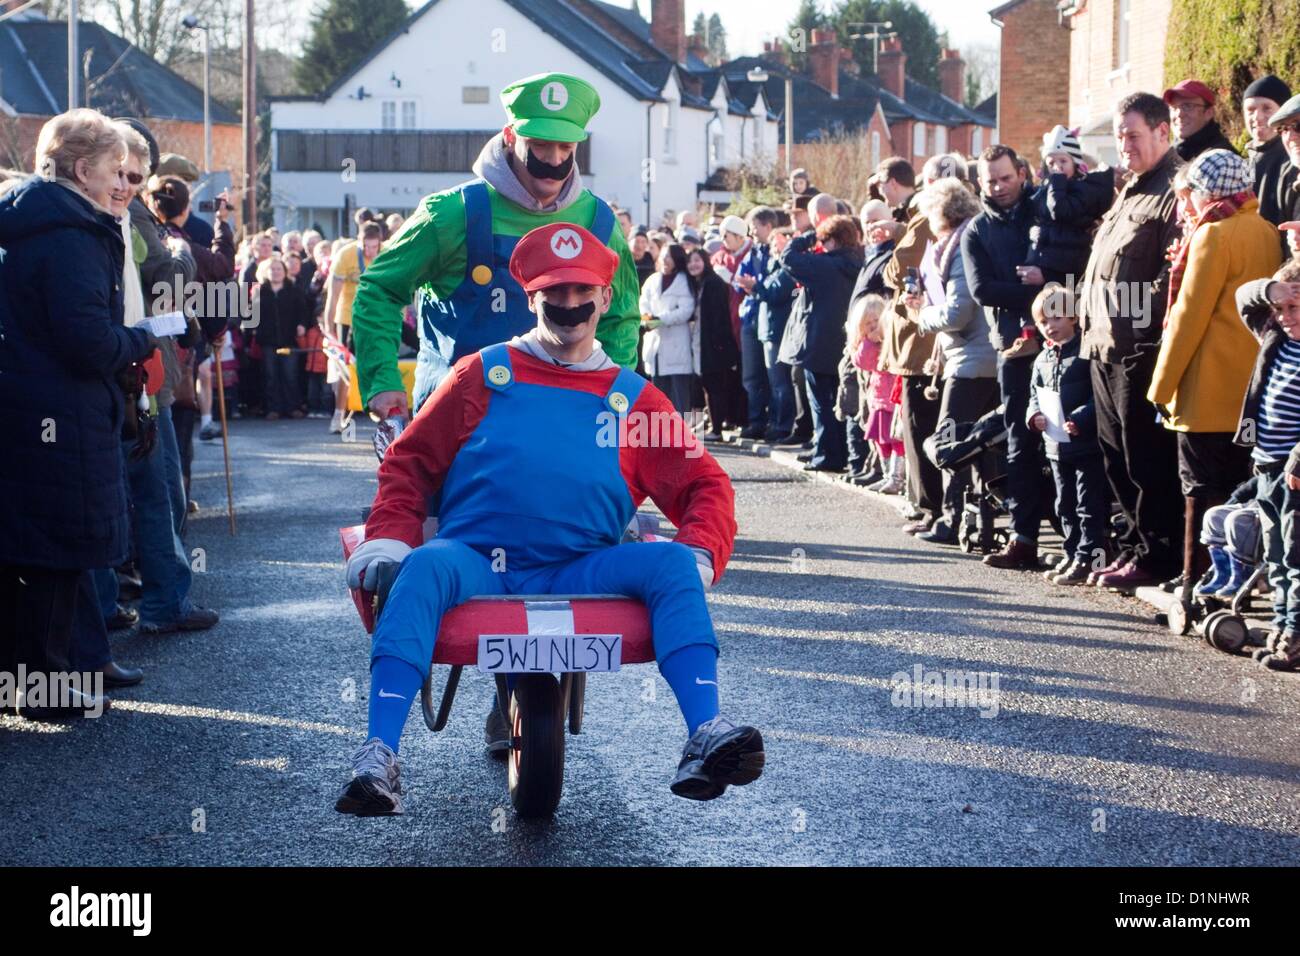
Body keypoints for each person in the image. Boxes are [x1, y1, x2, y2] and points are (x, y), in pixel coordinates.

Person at [337, 222, 762, 814]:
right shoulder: (481, 373)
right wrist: (388, 539)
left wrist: (698, 549)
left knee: (670, 562)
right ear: (531, 298)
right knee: (424, 568)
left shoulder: (634, 398)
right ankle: (378, 754)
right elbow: (410, 461)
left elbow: (705, 484)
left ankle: (705, 733)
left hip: (581, 567)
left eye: (581, 291)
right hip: (475, 561)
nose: (569, 304)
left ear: (606, 298)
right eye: (553, 293)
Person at [350, 72, 641, 429]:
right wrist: (382, 379)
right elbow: (379, 289)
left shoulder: (600, 223)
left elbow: (621, 317)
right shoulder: (448, 214)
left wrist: (610, 391)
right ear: (509, 136)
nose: (553, 160)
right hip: (455, 425)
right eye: (539, 145)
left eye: (566, 148)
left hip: (559, 423)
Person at [0, 110, 156, 716]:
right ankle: (48, 692)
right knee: (54, 559)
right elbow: (86, 339)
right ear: (84, 169)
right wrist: (140, 340)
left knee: (37, 555)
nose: (121, 180)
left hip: (34, 408)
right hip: (59, 414)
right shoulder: (72, 234)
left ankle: (43, 684)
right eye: (115, 168)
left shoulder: (34, 221)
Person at [1147, 148, 1281, 596]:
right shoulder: (1264, 230)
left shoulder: (1211, 236)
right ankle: (1242, 579)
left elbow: (1189, 318)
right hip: (1249, 388)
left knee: (1200, 489)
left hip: (1205, 389)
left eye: (1191, 194)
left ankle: (1194, 579)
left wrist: (1161, 386)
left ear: (1205, 193)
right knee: (1240, 488)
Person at [1077, 92, 1184, 590]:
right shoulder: (1130, 189)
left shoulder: (1174, 189)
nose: (1125, 145)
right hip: (1102, 345)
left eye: (1134, 135)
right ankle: (1132, 549)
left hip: (1137, 350)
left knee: (1146, 459)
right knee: (1115, 458)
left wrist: (1147, 337)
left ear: (1164, 132)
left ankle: (1159, 558)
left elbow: (1173, 273)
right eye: (1120, 136)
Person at [962, 144, 1047, 569]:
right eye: (990, 180)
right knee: (1020, 442)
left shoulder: (1046, 209)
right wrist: (1037, 291)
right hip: (1012, 348)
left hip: (1060, 341)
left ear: (1021, 173)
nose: (999, 187)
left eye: (1005, 178)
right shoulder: (977, 231)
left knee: (1072, 440)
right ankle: (1024, 538)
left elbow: (1076, 265)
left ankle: (1086, 541)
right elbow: (982, 290)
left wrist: (1045, 282)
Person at [905, 178, 998, 542]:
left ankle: (951, 521)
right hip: (980, 356)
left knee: (950, 442)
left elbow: (958, 313)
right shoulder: (967, 238)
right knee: (981, 444)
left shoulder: (959, 248)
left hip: (973, 359)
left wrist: (922, 315)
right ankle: (978, 525)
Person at [1232, 263, 1300, 670]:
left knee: (1296, 556)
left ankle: (1294, 636)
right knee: (1274, 554)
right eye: (1282, 308)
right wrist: (1273, 288)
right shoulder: (1274, 336)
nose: (1287, 317)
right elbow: (1244, 299)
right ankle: (1279, 627)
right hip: (1266, 465)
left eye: (1296, 307)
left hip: (1295, 471)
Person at [1026, 283, 1108, 585]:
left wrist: (1082, 418)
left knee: (1089, 505)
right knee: (1064, 505)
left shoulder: (1086, 353)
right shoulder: (1042, 359)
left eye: (1057, 318)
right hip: (1056, 445)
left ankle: (1091, 557)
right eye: (1044, 321)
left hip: (1085, 444)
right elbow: (1035, 395)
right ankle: (1073, 553)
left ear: (1073, 317)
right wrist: (1033, 416)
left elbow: (1097, 395)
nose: (1051, 326)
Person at [882, 160, 945, 534]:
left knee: (920, 427)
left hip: (920, 347)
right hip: (923, 344)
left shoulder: (924, 220)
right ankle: (928, 506)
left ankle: (930, 507)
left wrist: (899, 236)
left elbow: (899, 269)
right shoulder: (922, 221)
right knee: (920, 427)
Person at [780, 213, 865, 472]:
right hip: (846, 342)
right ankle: (844, 454)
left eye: (824, 240)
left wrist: (809, 235)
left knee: (821, 403)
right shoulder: (860, 262)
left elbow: (788, 258)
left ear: (833, 240)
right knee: (843, 402)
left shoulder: (823, 265)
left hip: (818, 344)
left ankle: (826, 455)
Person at [1026, 126, 1115, 284]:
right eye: (1051, 162)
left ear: (1075, 163)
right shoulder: (1047, 189)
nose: (1057, 167)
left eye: (1063, 161)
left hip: (1067, 266)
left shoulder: (1082, 190)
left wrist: (1057, 181)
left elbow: (1059, 210)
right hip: (1044, 261)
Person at [323, 222, 383, 432]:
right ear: (359, 241)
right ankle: (338, 415)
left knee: (377, 364)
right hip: (347, 316)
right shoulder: (345, 255)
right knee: (344, 367)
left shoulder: (386, 254)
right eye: (366, 246)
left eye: (374, 246)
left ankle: (381, 416)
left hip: (375, 317)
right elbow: (333, 295)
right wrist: (329, 328)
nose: (370, 251)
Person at [749, 227, 797, 443]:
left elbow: (776, 294)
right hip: (768, 330)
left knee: (781, 382)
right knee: (775, 381)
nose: (774, 247)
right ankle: (776, 423)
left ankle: (783, 425)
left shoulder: (786, 269)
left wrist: (755, 286)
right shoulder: (773, 267)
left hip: (777, 330)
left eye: (778, 242)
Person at [688, 247, 742, 439]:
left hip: (714, 345)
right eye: (690, 261)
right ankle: (711, 425)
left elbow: (719, 318)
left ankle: (716, 428)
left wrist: (719, 345)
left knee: (714, 387)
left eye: (697, 260)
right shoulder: (700, 283)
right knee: (706, 386)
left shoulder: (713, 283)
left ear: (706, 261)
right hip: (703, 343)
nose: (693, 265)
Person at [851, 294, 903, 492]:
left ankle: (898, 477)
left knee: (896, 439)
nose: (873, 326)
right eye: (868, 323)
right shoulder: (868, 345)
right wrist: (868, 342)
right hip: (878, 400)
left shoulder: (892, 342)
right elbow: (861, 362)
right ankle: (887, 473)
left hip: (894, 400)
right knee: (880, 439)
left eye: (876, 321)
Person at [735, 206, 779, 439]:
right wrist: (745, 283)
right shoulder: (753, 253)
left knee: (773, 375)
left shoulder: (776, 251)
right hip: (751, 316)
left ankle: (774, 421)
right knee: (751, 376)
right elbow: (738, 280)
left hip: (769, 318)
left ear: (768, 226)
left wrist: (755, 284)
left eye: (754, 227)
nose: (752, 233)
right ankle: (756, 421)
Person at [638, 242, 698, 413]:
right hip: (655, 340)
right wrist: (647, 318)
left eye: (669, 256)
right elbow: (643, 303)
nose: (665, 259)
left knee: (679, 392)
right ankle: (662, 434)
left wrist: (661, 319)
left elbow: (686, 310)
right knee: (658, 391)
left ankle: (682, 433)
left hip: (677, 341)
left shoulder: (683, 280)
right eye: (663, 255)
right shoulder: (652, 280)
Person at [254, 256, 310, 419]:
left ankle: (293, 407)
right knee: (270, 376)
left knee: (290, 375)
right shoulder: (259, 291)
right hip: (268, 340)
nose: (276, 272)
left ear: (284, 272)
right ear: (266, 272)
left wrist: (301, 325)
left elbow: (303, 311)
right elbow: (251, 315)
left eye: (279, 269)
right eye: (272, 269)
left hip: (289, 339)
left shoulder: (294, 290)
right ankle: (273, 408)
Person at [1243, 75, 1295, 231]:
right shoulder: (1243, 164)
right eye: (1250, 110)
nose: (1257, 117)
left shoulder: (1293, 164)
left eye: (1267, 108)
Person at [1164, 80, 1236, 163]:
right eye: (1174, 108)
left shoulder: (1221, 160)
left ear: (1209, 113)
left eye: (1188, 106)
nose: (1179, 114)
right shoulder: (1166, 156)